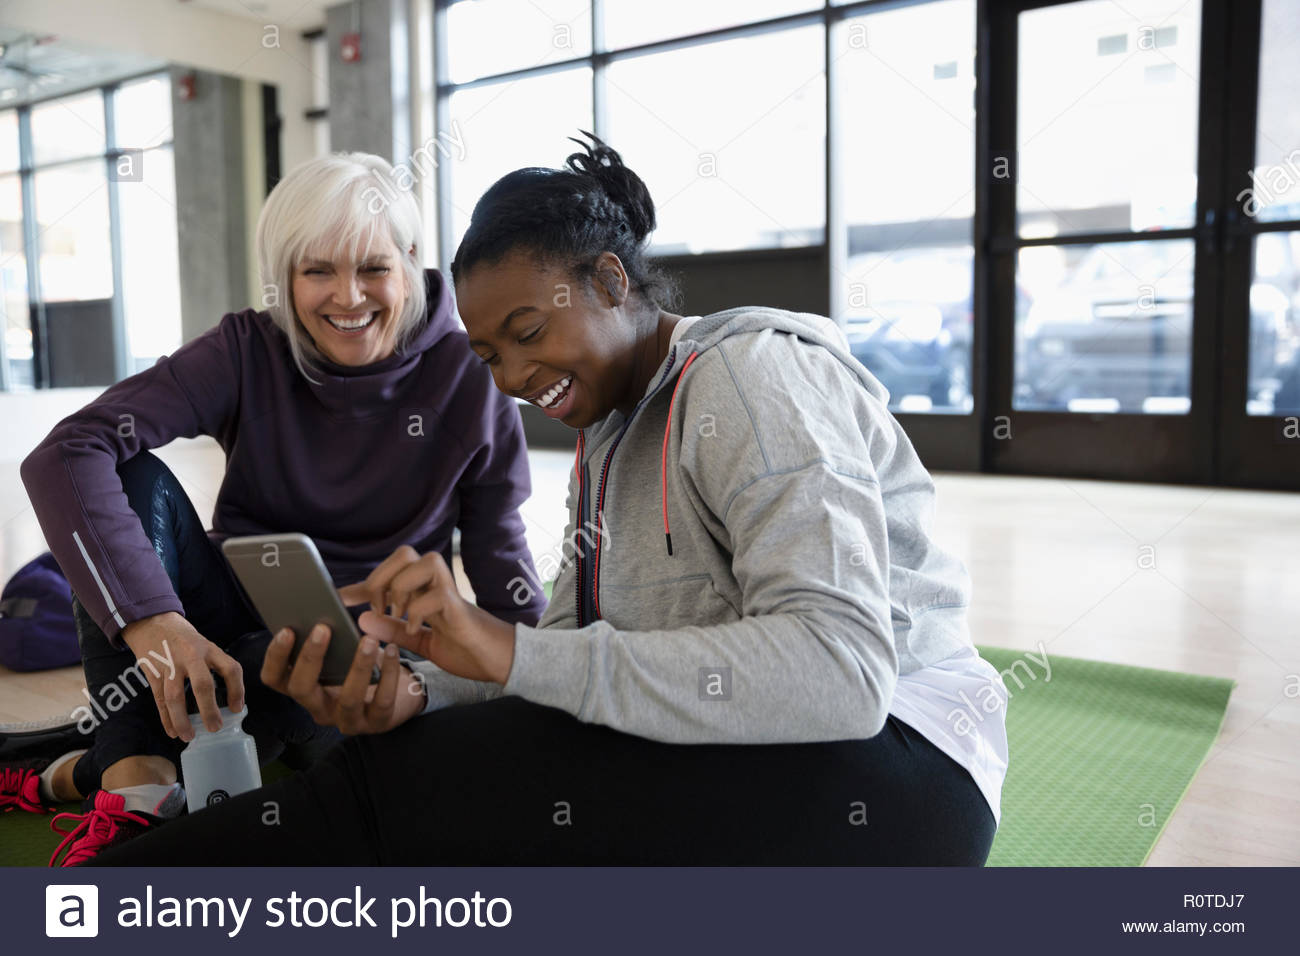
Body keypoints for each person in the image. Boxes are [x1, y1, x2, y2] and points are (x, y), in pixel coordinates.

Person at [88, 132, 1008, 866]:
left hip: (897, 773)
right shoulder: (609, 435)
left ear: (611, 280)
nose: (519, 377)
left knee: (420, 791)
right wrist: (420, 688)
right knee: (413, 765)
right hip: (778, 755)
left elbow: (838, 673)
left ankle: (116, 901)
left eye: (530, 332)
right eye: (490, 358)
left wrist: (507, 655)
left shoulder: (748, 375)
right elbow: (564, 652)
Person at [7, 152, 546, 865]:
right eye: (317, 270)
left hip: (349, 659)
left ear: (411, 260)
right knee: (127, 476)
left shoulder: (469, 377)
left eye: (372, 268)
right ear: (285, 275)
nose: (347, 297)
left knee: (298, 675)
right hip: (215, 619)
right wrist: (156, 625)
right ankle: (135, 789)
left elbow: (504, 576)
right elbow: (65, 453)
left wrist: (545, 683)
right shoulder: (247, 348)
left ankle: (90, 769)